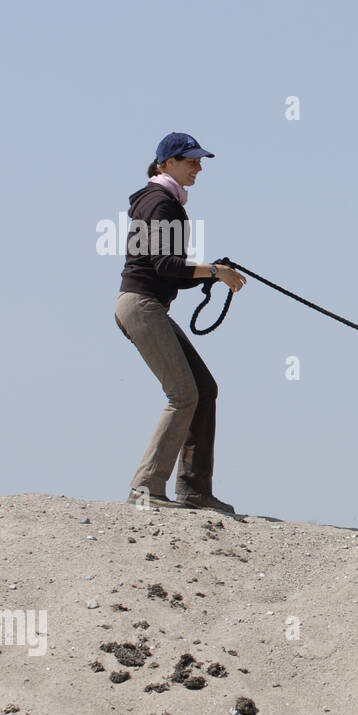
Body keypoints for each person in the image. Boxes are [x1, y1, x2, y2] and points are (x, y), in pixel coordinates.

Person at [114, 132, 246, 512]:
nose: (199, 167)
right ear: (165, 164)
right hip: (143, 306)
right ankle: (146, 487)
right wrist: (215, 272)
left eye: (199, 161)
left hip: (145, 304)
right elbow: (166, 266)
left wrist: (212, 273)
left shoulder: (159, 201)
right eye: (191, 161)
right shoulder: (160, 204)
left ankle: (194, 490)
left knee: (203, 389)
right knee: (184, 394)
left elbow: (168, 273)